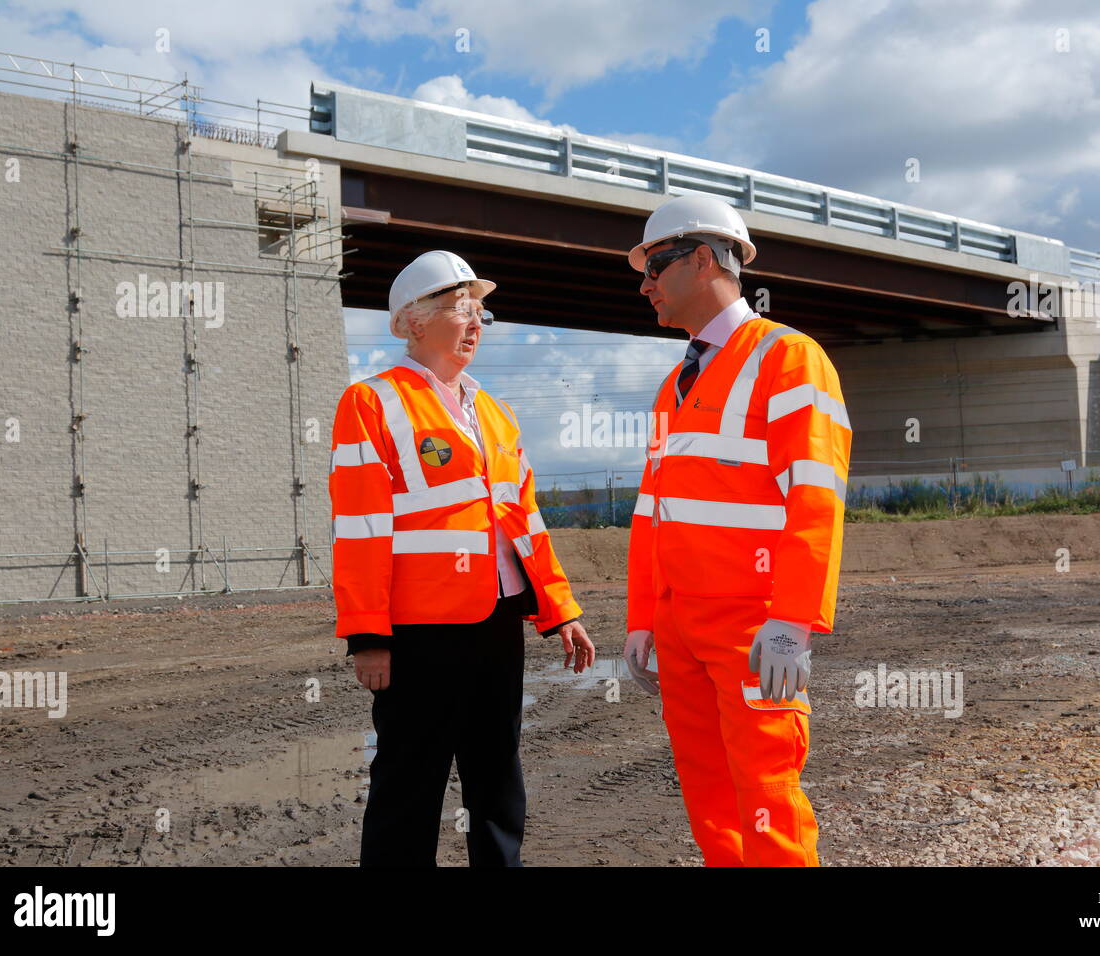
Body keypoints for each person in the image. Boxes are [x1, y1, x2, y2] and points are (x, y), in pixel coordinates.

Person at [329, 249, 595, 867]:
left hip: (497, 621)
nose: (475, 322)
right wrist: (368, 635)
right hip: (419, 630)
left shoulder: (494, 413)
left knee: (497, 774)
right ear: (413, 321)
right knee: (409, 780)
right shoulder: (372, 403)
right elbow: (361, 528)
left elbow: (525, 523)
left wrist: (560, 609)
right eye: (459, 308)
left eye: (480, 311)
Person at [621, 194, 852, 866]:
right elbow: (652, 511)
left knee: (765, 795)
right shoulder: (676, 386)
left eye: (654, 268)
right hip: (680, 626)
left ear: (702, 260)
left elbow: (817, 500)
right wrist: (644, 618)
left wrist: (793, 622)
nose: (644, 285)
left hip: (753, 628)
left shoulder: (788, 358)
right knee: (710, 797)